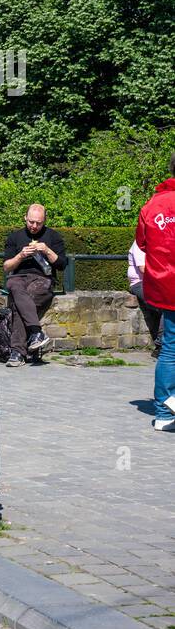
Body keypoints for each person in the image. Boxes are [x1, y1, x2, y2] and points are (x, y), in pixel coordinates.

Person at [2, 204, 68, 367]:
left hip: (42, 278)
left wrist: (46, 250)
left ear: (44, 221)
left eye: (38, 223)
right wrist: (20, 255)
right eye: (31, 222)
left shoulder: (53, 237)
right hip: (18, 277)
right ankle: (36, 333)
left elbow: (61, 264)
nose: (34, 226)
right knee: (15, 286)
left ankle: (17, 352)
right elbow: (7, 267)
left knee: (20, 302)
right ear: (25, 218)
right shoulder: (14, 237)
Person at [136, 160, 175, 431]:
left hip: (165, 285)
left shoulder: (152, 205)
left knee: (170, 349)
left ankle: (163, 411)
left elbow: (142, 243)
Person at [129, 241, 163, 358]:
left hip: (158, 283)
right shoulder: (139, 245)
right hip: (141, 283)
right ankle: (161, 345)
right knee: (166, 306)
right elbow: (143, 268)